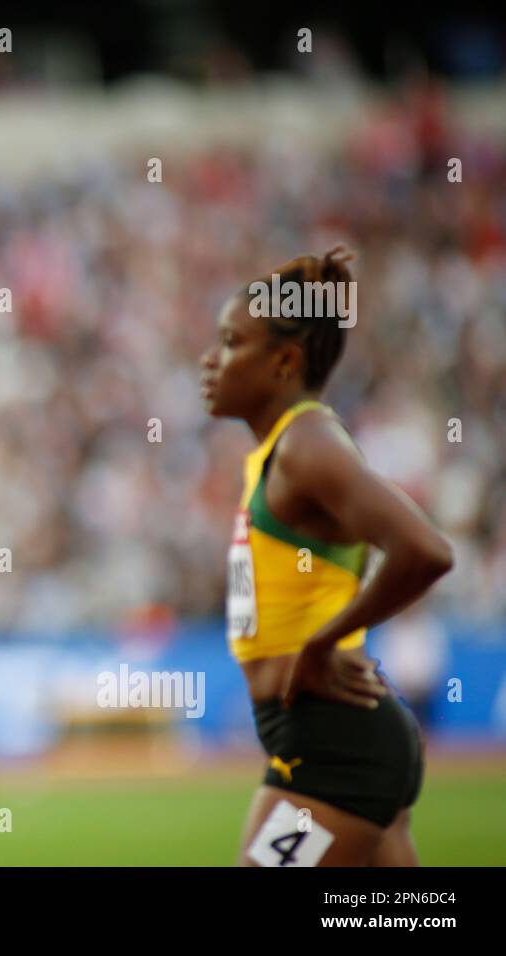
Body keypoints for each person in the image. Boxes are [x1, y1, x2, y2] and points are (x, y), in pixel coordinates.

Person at [199, 247, 453, 866]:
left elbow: (425, 550)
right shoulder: (283, 451)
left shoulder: (306, 445)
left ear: (284, 361)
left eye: (232, 343)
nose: (211, 360)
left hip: (340, 748)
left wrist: (321, 645)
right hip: (313, 741)